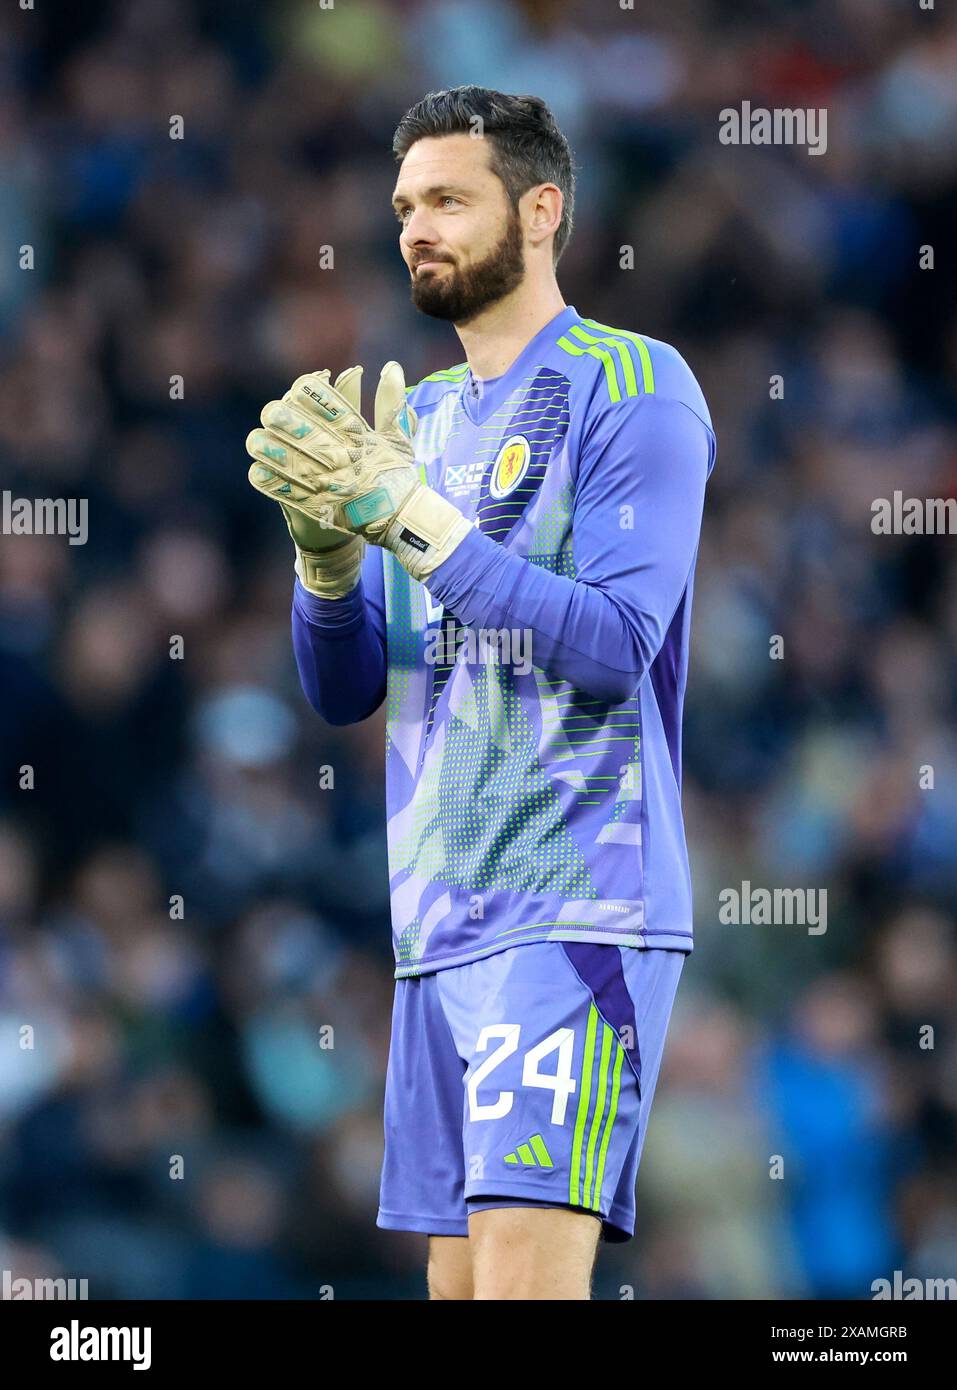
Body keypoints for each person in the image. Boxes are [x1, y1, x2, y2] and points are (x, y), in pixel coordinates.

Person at [246, 85, 716, 1300]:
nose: (417, 228)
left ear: (541, 208)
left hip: (578, 909)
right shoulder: (421, 419)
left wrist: (406, 516)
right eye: (405, 206)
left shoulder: (638, 384)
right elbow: (347, 688)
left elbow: (616, 642)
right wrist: (327, 561)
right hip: (438, 924)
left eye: (449, 199)